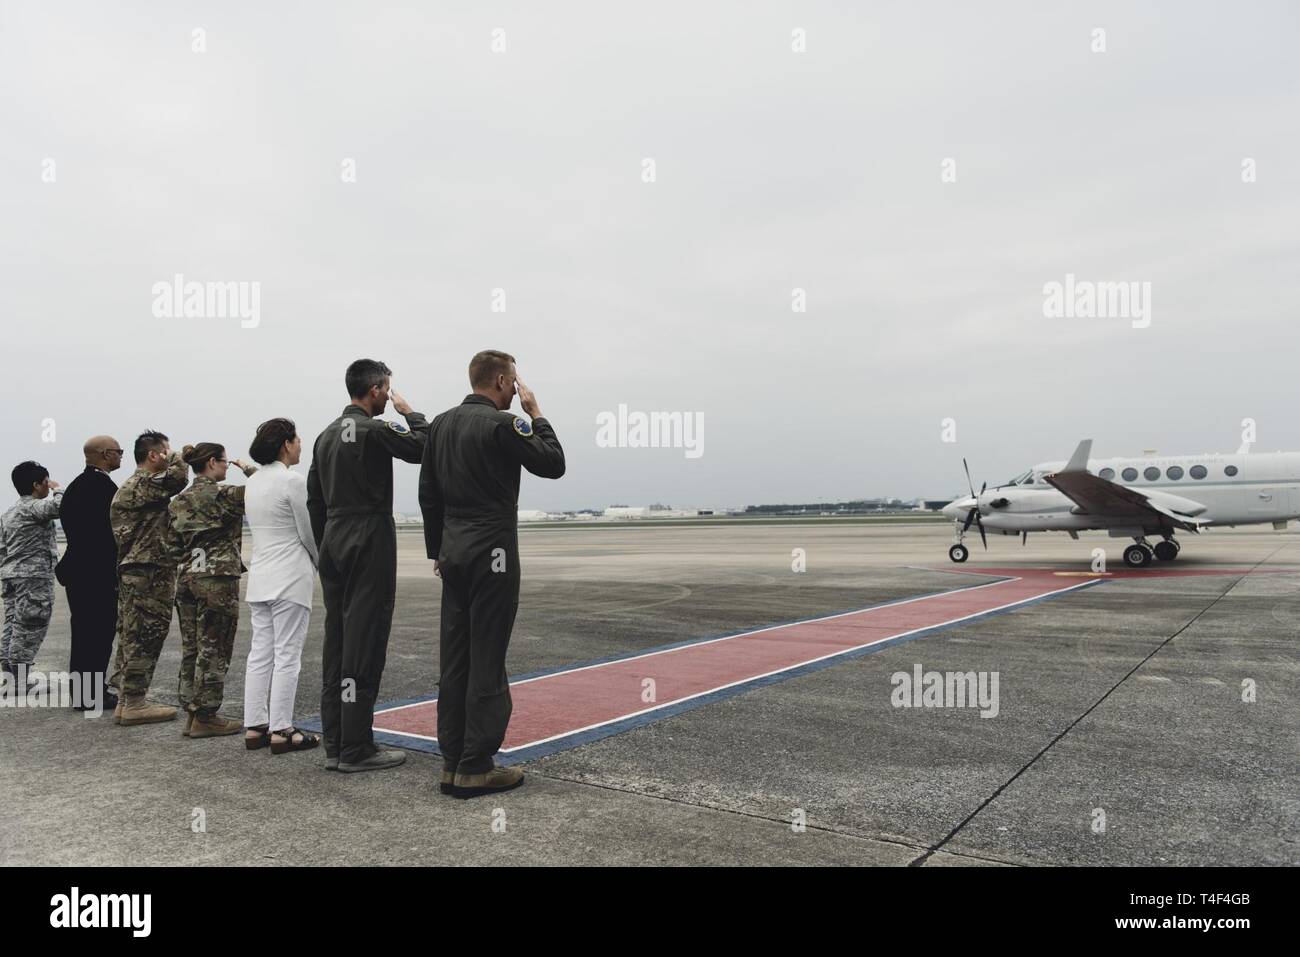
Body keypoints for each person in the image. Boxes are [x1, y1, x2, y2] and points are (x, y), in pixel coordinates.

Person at [418, 350, 565, 798]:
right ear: (502, 381)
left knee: (455, 656)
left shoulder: (440, 424)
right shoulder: (504, 425)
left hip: (454, 551)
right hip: (494, 551)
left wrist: (437, 550)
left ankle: (452, 760)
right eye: (514, 381)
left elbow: (428, 494)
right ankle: (477, 763)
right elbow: (552, 463)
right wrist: (535, 412)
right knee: (487, 654)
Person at [307, 359, 429, 772]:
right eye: (387, 389)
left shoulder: (324, 437)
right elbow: (423, 448)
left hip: (334, 537)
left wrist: (328, 542)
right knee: (366, 637)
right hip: (368, 534)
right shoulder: (375, 429)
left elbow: (314, 500)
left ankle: (336, 742)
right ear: (376, 390)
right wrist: (410, 413)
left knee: (337, 641)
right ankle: (357, 747)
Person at [242, 418, 321, 755]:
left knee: (260, 653)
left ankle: (255, 725)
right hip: (289, 576)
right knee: (287, 655)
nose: (301, 444)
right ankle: (282, 729)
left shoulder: (253, 482)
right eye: (297, 439)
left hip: (261, 575)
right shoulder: (292, 481)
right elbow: (308, 532)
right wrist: (321, 564)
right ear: (286, 444)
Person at [169, 443, 257, 737]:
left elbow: (170, 545)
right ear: (211, 462)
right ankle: (206, 715)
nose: (226, 467)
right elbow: (264, 487)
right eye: (223, 462)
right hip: (217, 580)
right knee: (215, 648)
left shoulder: (178, 501)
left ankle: (192, 713)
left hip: (187, 578)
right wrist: (247, 468)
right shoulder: (224, 495)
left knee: (193, 647)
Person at [110, 430, 188, 726]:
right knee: (146, 633)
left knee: (132, 633)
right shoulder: (142, 483)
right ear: (154, 455)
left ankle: (125, 701)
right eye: (165, 452)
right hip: (148, 571)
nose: (170, 458)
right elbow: (179, 479)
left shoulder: (138, 486)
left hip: (140, 570)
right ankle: (135, 703)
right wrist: (180, 455)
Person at [56, 436, 126, 712]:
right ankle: (92, 695)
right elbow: (108, 534)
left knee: (84, 633)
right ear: (105, 454)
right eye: (118, 452)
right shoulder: (101, 487)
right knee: (97, 634)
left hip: (78, 571)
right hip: (96, 573)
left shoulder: (77, 486)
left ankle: (84, 693)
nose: (122, 456)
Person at [1, 461, 63, 693]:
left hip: (11, 575)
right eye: (46, 482)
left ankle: (9, 678)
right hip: (33, 577)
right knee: (29, 626)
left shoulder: (9, 513)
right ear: (36, 485)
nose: (48, 485)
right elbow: (60, 508)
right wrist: (59, 489)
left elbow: (2, 548)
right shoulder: (33, 507)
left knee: (12, 625)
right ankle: (19, 681)